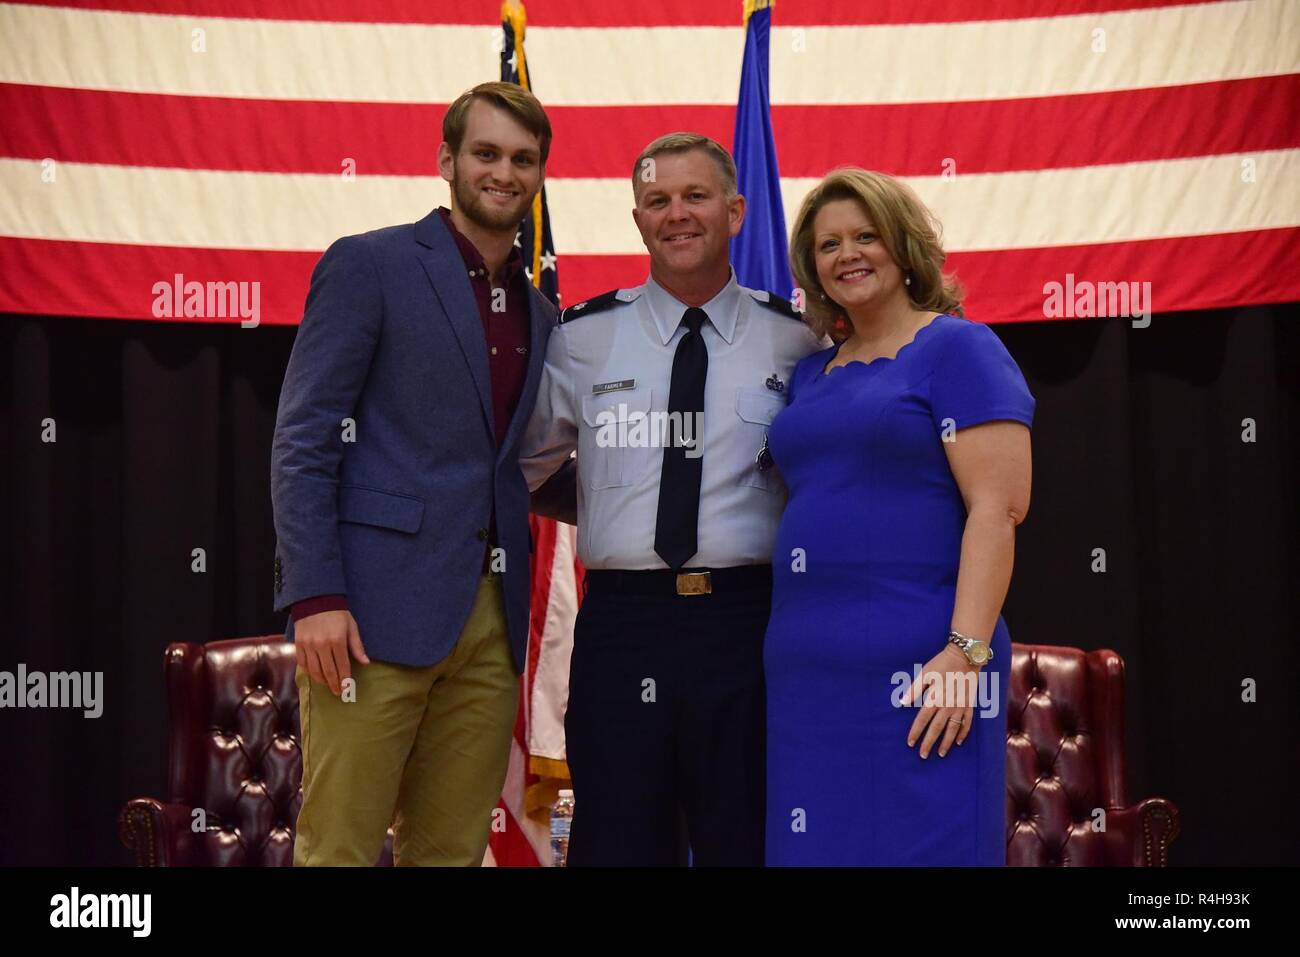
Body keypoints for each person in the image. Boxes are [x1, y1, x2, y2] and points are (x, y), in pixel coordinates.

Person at [270, 82, 557, 866]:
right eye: (487, 153)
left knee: (452, 852)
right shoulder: (371, 265)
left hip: (490, 625)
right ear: (447, 161)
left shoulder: (540, 313)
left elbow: (518, 465)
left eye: (523, 159)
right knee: (340, 850)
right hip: (366, 616)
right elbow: (302, 438)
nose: (505, 172)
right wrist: (316, 593)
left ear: (538, 177)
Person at [520, 133, 823, 866]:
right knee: (618, 841)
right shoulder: (585, 338)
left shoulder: (798, 340)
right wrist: (607, 509)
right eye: (658, 200)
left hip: (747, 621)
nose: (677, 214)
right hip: (626, 625)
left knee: (744, 837)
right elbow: (528, 469)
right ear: (637, 218)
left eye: (696, 196)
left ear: (737, 209)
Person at [764, 168, 1034, 865]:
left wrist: (965, 653)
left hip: (926, 675)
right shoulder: (808, 374)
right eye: (828, 244)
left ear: (902, 244)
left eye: (865, 235)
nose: (847, 254)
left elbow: (998, 509)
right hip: (808, 682)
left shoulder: (959, 349)